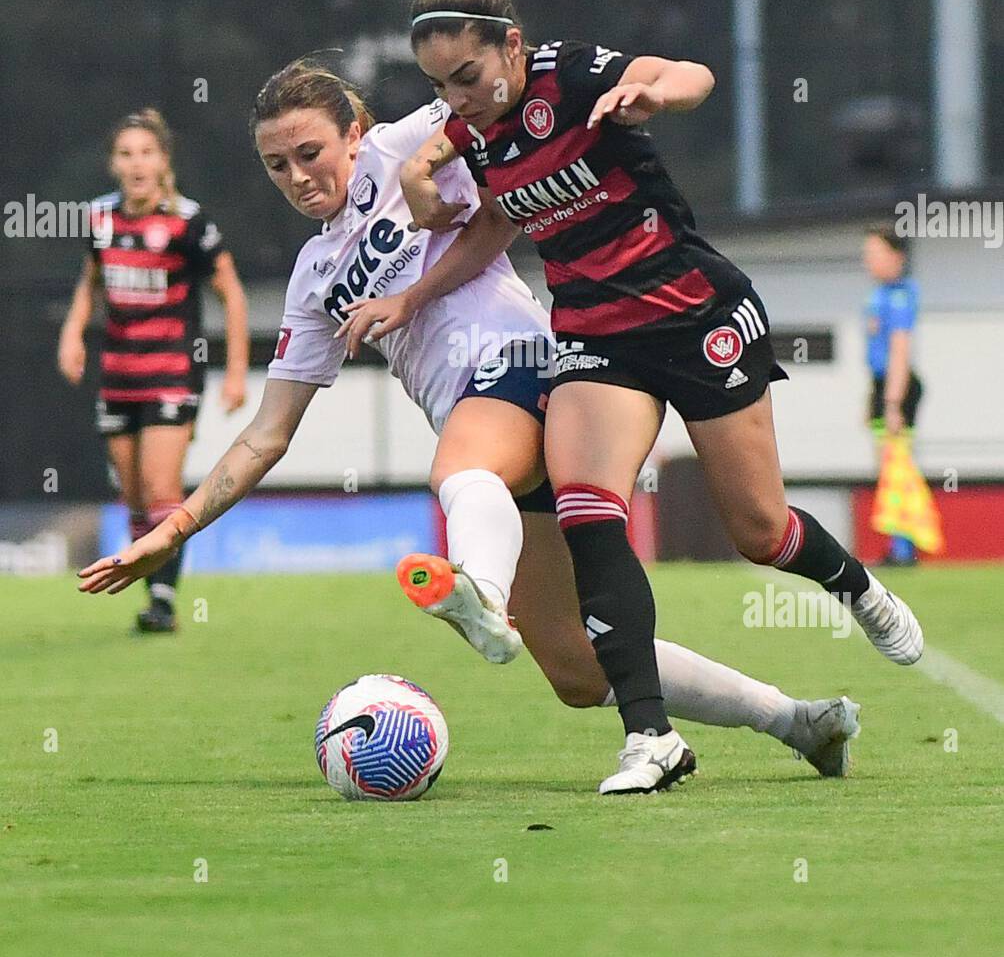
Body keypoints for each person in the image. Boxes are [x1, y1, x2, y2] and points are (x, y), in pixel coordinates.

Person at [78, 59, 861, 785]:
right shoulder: (315, 279)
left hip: (533, 367)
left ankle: (479, 589)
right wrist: (173, 530)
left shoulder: (403, 146)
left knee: (458, 470)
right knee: (579, 671)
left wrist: (530, 51)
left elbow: (489, 93)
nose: (297, 176)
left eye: (310, 152)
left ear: (353, 133)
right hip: (492, 436)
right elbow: (266, 435)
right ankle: (797, 721)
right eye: (276, 166)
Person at [400, 0, 923, 795]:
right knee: (586, 509)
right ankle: (651, 739)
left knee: (760, 530)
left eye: (467, 76)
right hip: (597, 338)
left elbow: (693, 74)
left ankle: (857, 586)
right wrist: (413, 287)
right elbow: (494, 224)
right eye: (440, 87)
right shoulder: (472, 135)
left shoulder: (569, 75)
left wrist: (655, 92)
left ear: (511, 47)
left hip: (693, 315)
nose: (458, 99)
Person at [58, 108, 249, 633]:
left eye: (146, 152)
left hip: (173, 371)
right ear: (113, 164)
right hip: (118, 372)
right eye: (126, 154)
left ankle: (162, 600)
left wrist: (235, 371)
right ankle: (156, 590)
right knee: (135, 495)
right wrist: (73, 332)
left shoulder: (191, 222)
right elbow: (90, 282)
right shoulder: (100, 218)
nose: (136, 163)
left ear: (163, 160)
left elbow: (230, 294)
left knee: (161, 486)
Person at [863, 229, 924, 566]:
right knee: (889, 470)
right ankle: (898, 546)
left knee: (898, 469)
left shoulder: (899, 297)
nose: (868, 260)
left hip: (896, 388)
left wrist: (892, 403)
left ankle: (904, 550)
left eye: (874, 252)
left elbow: (900, 351)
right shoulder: (880, 294)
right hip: (882, 386)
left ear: (896, 256)